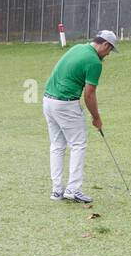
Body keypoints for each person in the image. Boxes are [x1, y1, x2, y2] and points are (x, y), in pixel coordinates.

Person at [43, 30, 117, 204]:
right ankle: (73, 189)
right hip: (65, 103)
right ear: (105, 45)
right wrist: (96, 118)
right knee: (78, 144)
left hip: (48, 100)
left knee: (57, 145)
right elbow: (89, 95)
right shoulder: (94, 62)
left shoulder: (78, 47)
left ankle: (57, 190)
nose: (107, 55)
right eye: (109, 51)